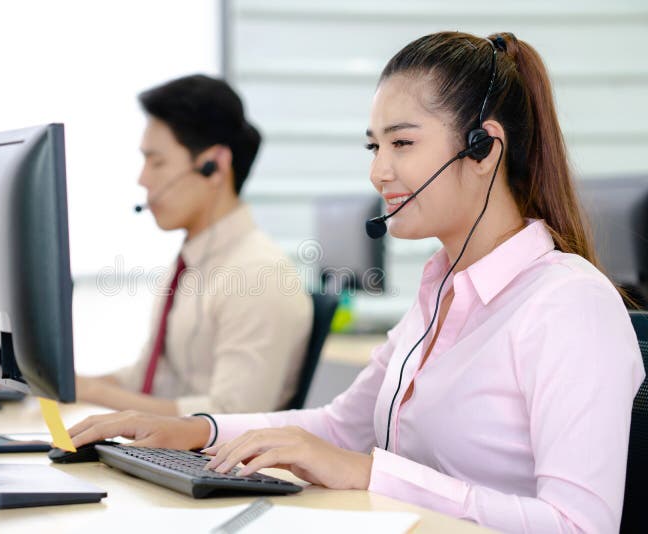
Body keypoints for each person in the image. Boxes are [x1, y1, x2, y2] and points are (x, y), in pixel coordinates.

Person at [68, 33, 645, 532]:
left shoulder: (568, 303)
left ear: (483, 148)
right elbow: (339, 424)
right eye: (375, 146)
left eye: (402, 143)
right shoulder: (439, 294)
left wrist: (373, 473)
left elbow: (579, 525)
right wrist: (193, 431)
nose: (378, 171)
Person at [76, 74, 313, 415]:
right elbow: (150, 379)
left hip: (213, 464)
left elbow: (229, 416)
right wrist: (69, 384)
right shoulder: (191, 262)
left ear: (213, 166)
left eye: (156, 162)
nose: (142, 179)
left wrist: (93, 393)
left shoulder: (258, 275)